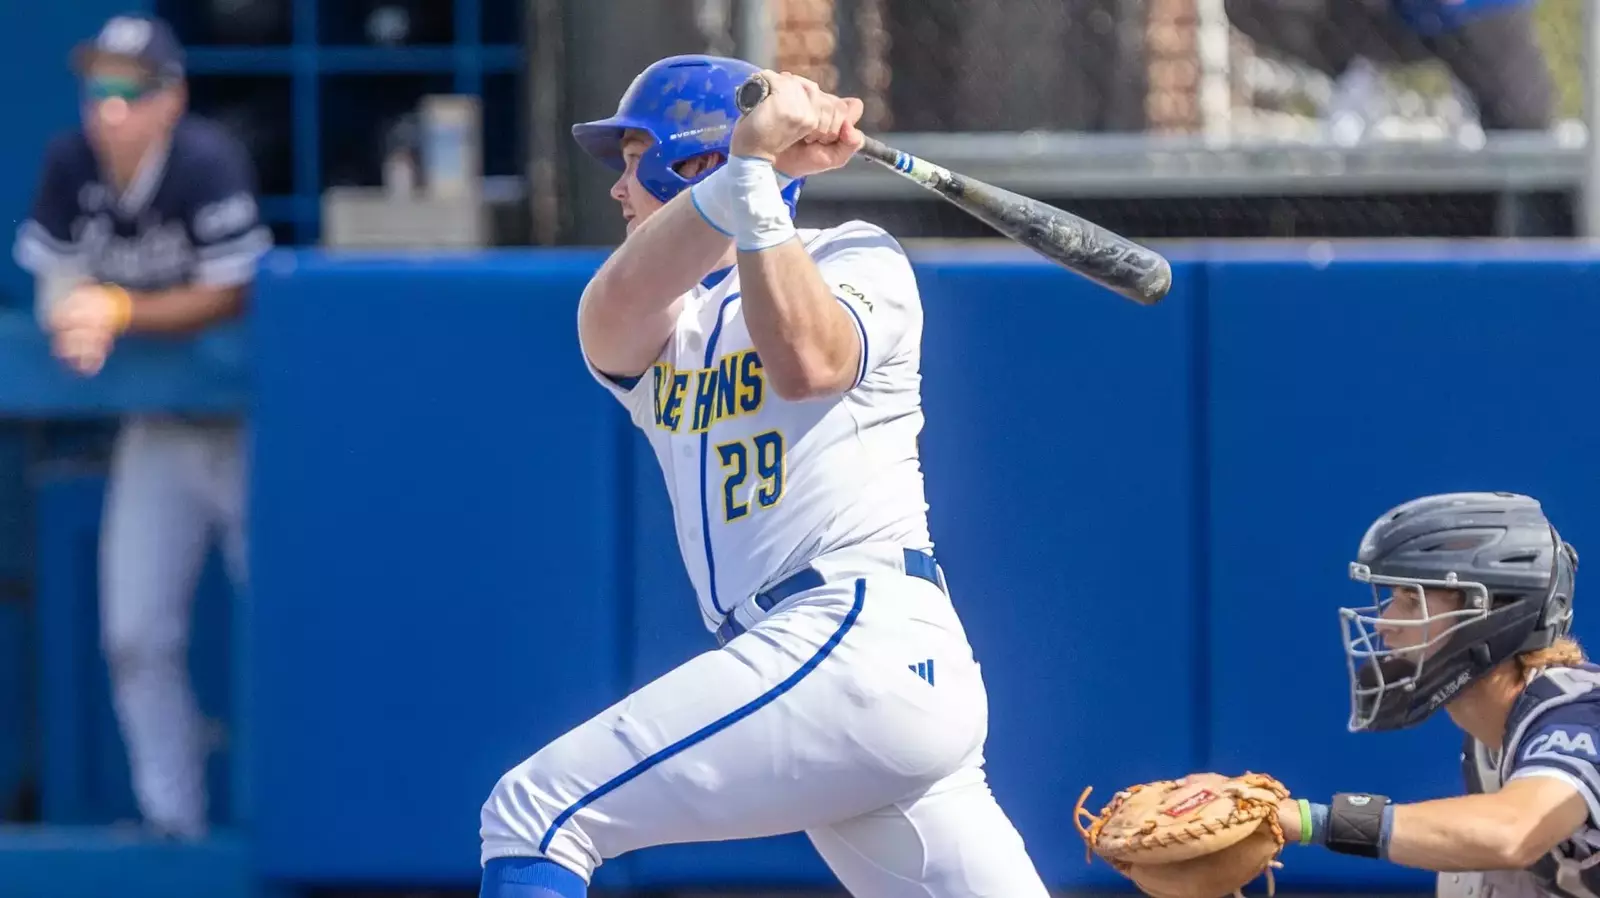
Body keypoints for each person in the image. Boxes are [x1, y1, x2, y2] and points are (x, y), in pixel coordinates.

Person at [476, 55, 1051, 898]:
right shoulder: (654, 320)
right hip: (823, 668)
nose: (616, 185)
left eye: (635, 155)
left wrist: (750, 172)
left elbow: (810, 362)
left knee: (535, 814)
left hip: (857, 631)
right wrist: (748, 169)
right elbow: (615, 314)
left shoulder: (858, 256)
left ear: (693, 160)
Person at [10, 14, 272, 838]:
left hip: (245, 435)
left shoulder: (205, 158)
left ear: (170, 98)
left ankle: (290, 817)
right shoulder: (69, 161)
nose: (109, 109)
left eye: (129, 91)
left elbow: (236, 290)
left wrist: (118, 306)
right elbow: (53, 277)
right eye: (98, 89)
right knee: (134, 634)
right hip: (157, 433)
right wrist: (71, 316)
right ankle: (172, 820)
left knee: (275, 622)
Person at [1274, 491, 1594, 896]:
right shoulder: (1490, 740)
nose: (1384, 623)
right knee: (1471, 875)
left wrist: (1306, 821)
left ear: (1495, 613)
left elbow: (1513, 831)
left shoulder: (1581, 712)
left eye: (1412, 600)